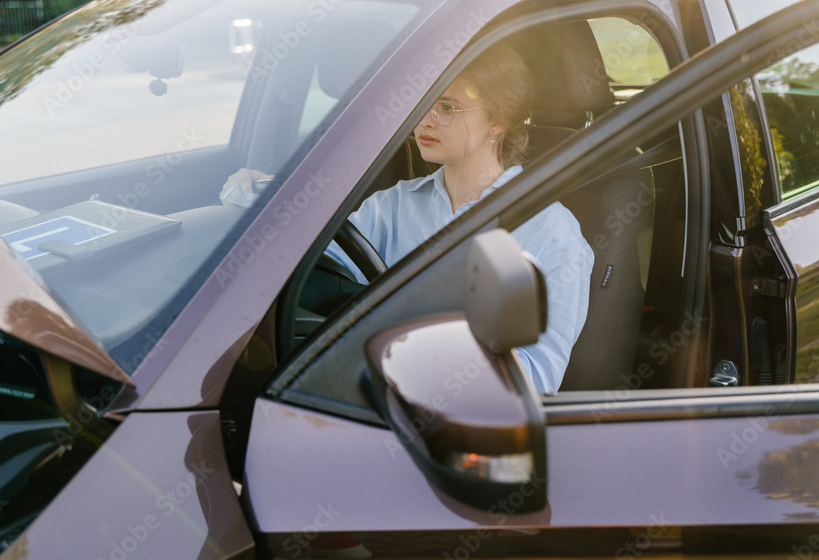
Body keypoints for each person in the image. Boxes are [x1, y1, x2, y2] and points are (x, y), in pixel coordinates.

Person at [222, 45, 593, 393]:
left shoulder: (553, 233)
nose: (425, 119)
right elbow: (310, 264)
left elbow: (537, 379)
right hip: (365, 392)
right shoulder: (393, 205)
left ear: (498, 120)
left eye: (447, 107)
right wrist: (254, 198)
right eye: (424, 101)